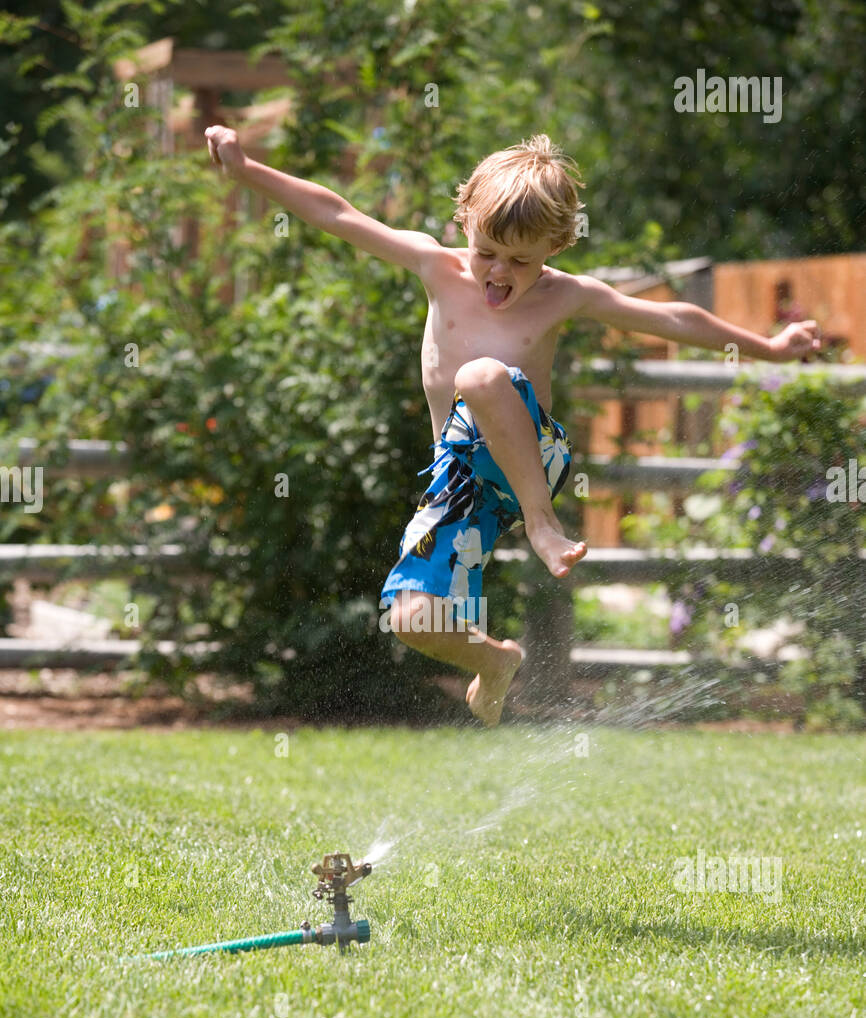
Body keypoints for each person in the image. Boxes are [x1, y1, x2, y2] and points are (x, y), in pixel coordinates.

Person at [204, 127, 821, 725]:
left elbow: (675, 318)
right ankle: (494, 664)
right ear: (463, 225)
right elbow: (336, 213)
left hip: (533, 456)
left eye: (519, 260)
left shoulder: (566, 295)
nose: (497, 273)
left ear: (555, 247)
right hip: (463, 482)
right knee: (410, 616)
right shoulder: (436, 267)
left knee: (480, 377)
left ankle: (543, 525)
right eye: (486, 252)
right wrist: (246, 169)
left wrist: (768, 347)